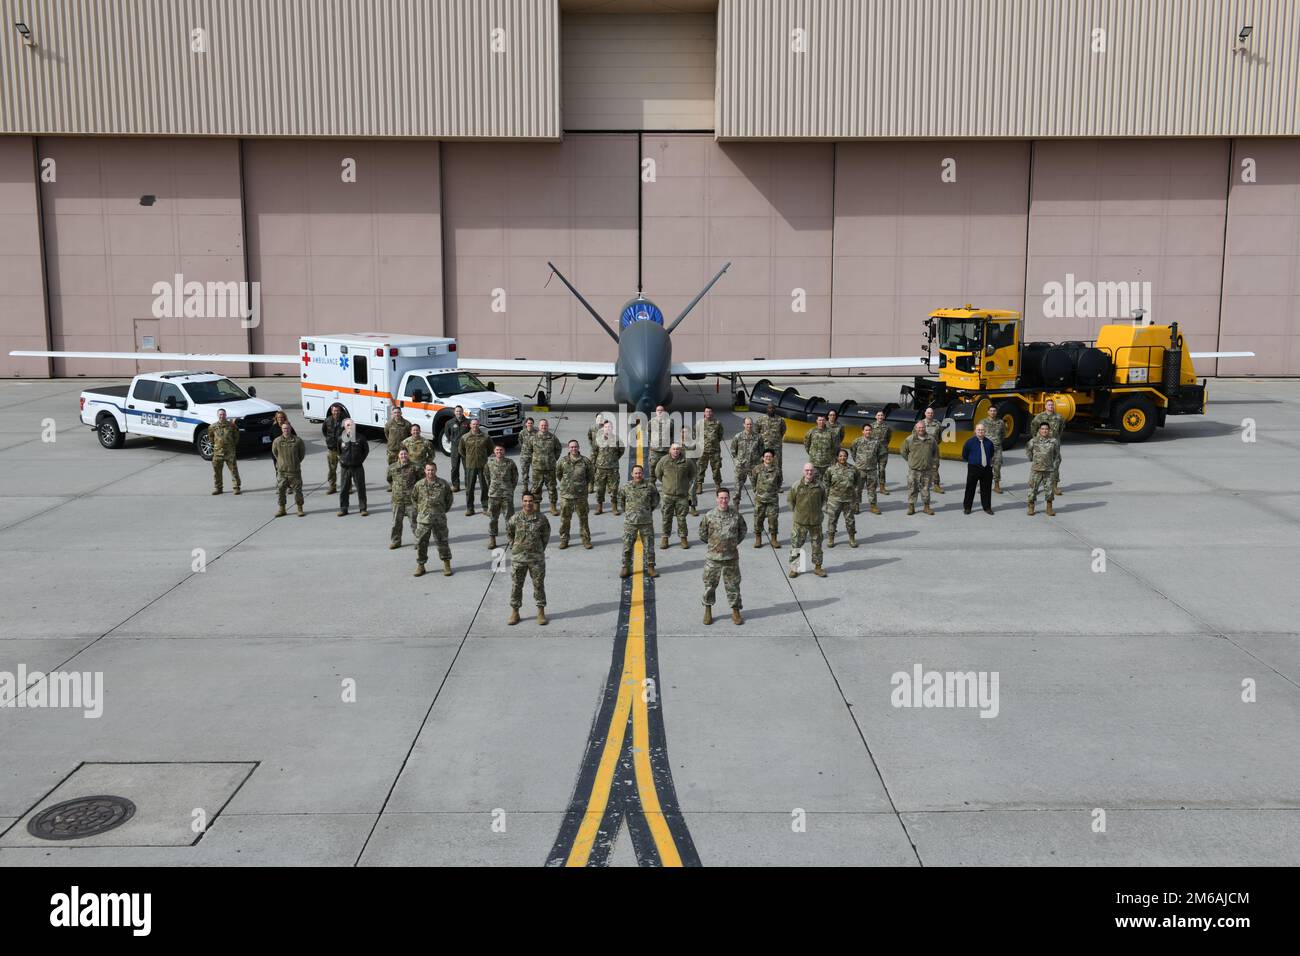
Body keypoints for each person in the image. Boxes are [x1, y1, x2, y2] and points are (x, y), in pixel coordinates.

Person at [699, 488, 747, 626]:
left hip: (731, 558)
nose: (724, 500)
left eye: (726, 498)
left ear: (729, 499)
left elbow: (742, 530)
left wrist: (732, 544)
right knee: (709, 586)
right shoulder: (709, 516)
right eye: (721, 498)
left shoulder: (736, 515)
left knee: (734, 586)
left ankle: (735, 611)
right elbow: (703, 534)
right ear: (716, 499)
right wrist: (715, 546)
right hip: (713, 558)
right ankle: (708, 610)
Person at [506, 492, 550, 626]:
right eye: (525, 501)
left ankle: (541, 612)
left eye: (530, 501)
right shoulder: (515, 518)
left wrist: (538, 550)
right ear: (522, 502)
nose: (528, 503)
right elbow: (510, 534)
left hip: (536, 559)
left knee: (538, 586)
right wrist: (517, 547)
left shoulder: (541, 519)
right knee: (516, 586)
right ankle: (515, 612)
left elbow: (546, 536)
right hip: (519, 559)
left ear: (534, 502)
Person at [617, 464, 660, 579]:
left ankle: (650, 567)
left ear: (643, 473)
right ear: (632, 474)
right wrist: (628, 512)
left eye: (640, 473)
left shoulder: (650, 486)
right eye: (636, 473)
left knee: (649, 546)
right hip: (630, 523)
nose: (638, 475)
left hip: (646, 522)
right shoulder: (625, 487)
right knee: (627, 546)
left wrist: (648, 510)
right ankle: (626, 567)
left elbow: (656, 499)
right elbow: (620, 500)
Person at [412, 461, 454, 576]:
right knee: (421, 543)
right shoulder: (419, 485)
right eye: (428, 470)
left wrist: (441, 511)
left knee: (443, 542)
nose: (430, 472)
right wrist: (421, 511)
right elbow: (414, 499)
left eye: (432, 470)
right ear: (425, 471)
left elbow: (449, 500)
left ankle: (446, 564)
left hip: (439, 519)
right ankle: (421, 565)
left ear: (436, 470)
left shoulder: (443, 484)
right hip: (423, 520)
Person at [787, 462, 827, 578]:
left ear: (814, 472)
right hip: (800, 522)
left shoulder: (820, 486)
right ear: (803, 471)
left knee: (817, 545)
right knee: (796, 546)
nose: (809, 472)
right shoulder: (796, 485)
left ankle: (818, 567)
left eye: (811, 470)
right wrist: (797, 512)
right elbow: (790, 500)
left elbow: (824, 499)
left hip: (816, 522)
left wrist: (822, 510)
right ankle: (795, 568)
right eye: (807, 470)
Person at [655, 441, 696, 550]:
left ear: (681, 450)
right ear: (670, 450)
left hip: (682, 496)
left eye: (678, 449)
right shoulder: (664, 461)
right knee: (666, 518)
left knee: (681, 519)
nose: (676, 451)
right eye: (674, 449)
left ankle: (683, 538)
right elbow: (658, 474)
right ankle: (665, 537)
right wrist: (668, 485)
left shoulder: (687, 462)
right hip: (667, 495)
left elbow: (692, 475)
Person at [557, 439, 594, 549]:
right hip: (566, 496)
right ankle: (564, 540)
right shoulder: (562, 461)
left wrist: (581, 486)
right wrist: (567, 485)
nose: (574, 449)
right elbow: (558, 474)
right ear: (569, 448)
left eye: (575, 447)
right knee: (565, 520)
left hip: (580, 496)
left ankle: (586, 540)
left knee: (583, 519)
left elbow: (590, 476)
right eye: (572, 447)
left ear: (578, 447)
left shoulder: (585, 461)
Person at [485, 443, 519, 550]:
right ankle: (492, 539)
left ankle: (511, 539)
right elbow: (487, 477)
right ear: (494, 452)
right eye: (497, 450)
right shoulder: (489, 464)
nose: (499, 452)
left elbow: (515, 477)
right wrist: (492, 487)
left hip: (506, 495)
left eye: (501, 450)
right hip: (493, 495)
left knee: (509, 518)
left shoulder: (510, 463)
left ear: (504, 451)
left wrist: (510, 489)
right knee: (493, 518)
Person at [1029, 399, 1065, 496]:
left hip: (1054, 445)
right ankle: (1034, 486)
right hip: (1042, 446)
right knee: (1038, 466)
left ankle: (1054, 486)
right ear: (1045, 406)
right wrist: (1036, 438)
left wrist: (1056, 438)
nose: (1051, 407)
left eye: (1052, 405)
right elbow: (1033, 427)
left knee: (1056, 465)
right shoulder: (1039, 417)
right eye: (1049, 405)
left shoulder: (1059, 417)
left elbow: (1061, 429)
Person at [823, 448, 858, 548]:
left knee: (850, 520)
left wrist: (854, 498)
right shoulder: (831, 469)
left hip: (848, 500)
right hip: (834, 500)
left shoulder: (853, 469)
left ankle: (852, 538)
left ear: (847, 457)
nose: (843, 458)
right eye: (840, 456)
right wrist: (826, 500)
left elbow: (856, 482)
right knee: (832, 520)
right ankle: (831, 539)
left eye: (844, 456)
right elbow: (826, 483)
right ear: (837, 457)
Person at [457, 418, 492, 515]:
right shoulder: (465, 437)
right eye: (473, 424)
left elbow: (490, 449)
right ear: (470, 425)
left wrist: (484, 457)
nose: (475, 426)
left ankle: (485, 507)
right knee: (469, 488)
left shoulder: (485, 437)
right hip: (470, 466)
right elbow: (461, 450)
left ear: (479, 425)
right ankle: (470, 508)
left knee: (484, 487)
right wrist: (469, 457)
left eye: (477, 424)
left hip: (483, 465)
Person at [901, 420, 936, 516]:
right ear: (916, 429)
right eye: (919, 427)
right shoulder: (910, 439)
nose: (921, 429)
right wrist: (911, 461)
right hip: (914, 470)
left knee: (926, 489)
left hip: (926, 470)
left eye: (923, 427)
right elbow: (903, 451)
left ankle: (926, 507)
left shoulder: (931, 440)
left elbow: (935, 452)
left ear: (925, 428)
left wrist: (930, 462)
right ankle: (911, 507)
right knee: (912, 488)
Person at [271, 421, 306, 517]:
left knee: (298, 491)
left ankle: (300, 509)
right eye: (284, 428)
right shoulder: (277, 441)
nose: (286, 430)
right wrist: (282, 463)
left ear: (290, 429)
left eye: (287, 428)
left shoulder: (298, 441)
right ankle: (282, 509)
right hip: (282, 472)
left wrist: (295, 462)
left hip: (294, 472)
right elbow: (275, 453)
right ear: (281, 430)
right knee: (281, 491)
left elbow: (301, 454)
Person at [387, 447, 419, 548]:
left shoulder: (415, 467)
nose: (403, 456)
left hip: (411, 501)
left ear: (408, 455)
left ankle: (419, 541)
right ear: (398, 456)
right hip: (397, 501)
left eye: (405, 454)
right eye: (401, 454)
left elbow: (420, 480)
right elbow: (389, 479)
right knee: (396, 523)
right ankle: (396, 541)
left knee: (414, 522)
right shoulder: (392, 467)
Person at [961, 422, 996, 515]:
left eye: (982, 430)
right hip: (974, 468)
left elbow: (991, 454)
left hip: (986, 468)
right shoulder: (969, 442)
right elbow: (965, 455)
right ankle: (967, 507)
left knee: (986, 489)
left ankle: (987, 507)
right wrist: (974, 460)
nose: (980, 431)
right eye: (978, 430)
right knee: (970, 488)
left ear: (985, 431)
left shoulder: (989, 443)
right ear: (975, 431)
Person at [1026, 422, 1060, 517]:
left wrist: (1051, 464)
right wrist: (1033, 460)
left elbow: (1056, 454)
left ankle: (1049, 508)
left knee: (1049, 490)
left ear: (1049, 430)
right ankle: (1031, 507)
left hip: (1049, 470)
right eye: (1042, 429)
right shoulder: (1033, 441)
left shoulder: (1054, 441)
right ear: (1039, 430)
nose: (1044, 431)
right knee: (1032, 489)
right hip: (1036, 469)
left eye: (1046, 429)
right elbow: (1028, 451)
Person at [337, 418, 369, 517]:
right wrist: (342, 461)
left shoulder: (361, 438)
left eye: (352, 425)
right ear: (345, 427)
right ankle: (344, 509)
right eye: (348, 425)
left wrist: (360, 461)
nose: (350, 427)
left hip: (357, 467)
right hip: (345, 467)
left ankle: (363, 508)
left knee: (361, 488)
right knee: (344, 489)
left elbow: (366, 451)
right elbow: (338, 451)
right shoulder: (340, 438)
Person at [530, 418, 562, 515]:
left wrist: (553, 459)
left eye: (545, 425)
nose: (544, 427)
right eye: (542, 425)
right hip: (537, 469)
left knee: (552, 488)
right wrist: (536, 459)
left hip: (550, 468)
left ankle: (553, 507)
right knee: (536, 489)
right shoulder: (533, 438)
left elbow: (558, 449)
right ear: (539, 426)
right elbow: (528, 450)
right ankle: (536, 508)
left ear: (548, 426)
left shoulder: (553, 438)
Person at [850, 423, 882, 516]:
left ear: (872, 431)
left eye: (869, 430)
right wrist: (859, 462)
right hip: (860, 469)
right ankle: (856, 506)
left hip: (872, 470)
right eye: (866, 430)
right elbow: (853, 452)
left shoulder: (876, 442)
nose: (868, 432)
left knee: (872, 489)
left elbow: (879, 454)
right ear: (863, 431)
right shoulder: (857, 441)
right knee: (857, 489)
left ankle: (873, 506)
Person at [593, 421, 624, 515]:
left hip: (613, 468)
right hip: (600, 468)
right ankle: (599, 507)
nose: (608, 428)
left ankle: (614, 507)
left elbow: (621, 451)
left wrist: (614, 459)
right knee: (599, 489)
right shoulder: (598, 439)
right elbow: (594, 453)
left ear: (612, 428)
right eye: (606, 427)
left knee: (614, 489)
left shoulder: (617, 439)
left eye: (610, 427)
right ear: (603, 428)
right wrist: (594, 465)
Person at [752, 449, 781, 547]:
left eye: (770, 456)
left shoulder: (777, 470)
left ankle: (774, 539)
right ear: (763, 458)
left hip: (772, 500)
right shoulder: (757, 469)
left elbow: (779, 482)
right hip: (760, 500)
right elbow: (753, 480)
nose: (768, 458)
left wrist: (773, 491)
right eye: (766, 456)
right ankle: (758, 539)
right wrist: (757, 490)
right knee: (758, 519)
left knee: (773, 520)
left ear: (773, 458)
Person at [209, 408, 241, 495]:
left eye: (223, 414)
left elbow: (236, 436)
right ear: (217, 415)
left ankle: (236, 487)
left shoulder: (232, 425)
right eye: (220, 414)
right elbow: (211, 438)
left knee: (234, 470)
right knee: (217, 471)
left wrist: (232, 445)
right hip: (218, 452)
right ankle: (218, 488)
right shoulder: (212, 426)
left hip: (230, 452)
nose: (222, 416)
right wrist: (217, 445)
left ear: (226, 415)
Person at [695, 406, 724, 498]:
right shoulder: (699, 423)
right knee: (700, 468)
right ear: (704, 413)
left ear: (712, 413)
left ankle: (717, 485)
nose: (708, 413)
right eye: (707, 411)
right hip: (702, 451)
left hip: (714, 450)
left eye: (710, 411)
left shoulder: (717, 423)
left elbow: (720, 435)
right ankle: (699, 485)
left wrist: (713, 443)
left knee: (716, 468)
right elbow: (695, 434)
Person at [729, 417, 762, 499]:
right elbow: (733, 450)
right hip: (741, 467)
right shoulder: (738, 436)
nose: (749, 426)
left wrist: (759, 462)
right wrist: (737, 461)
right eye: (747, 424)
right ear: (744, 425)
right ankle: (736, 507)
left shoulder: (758, 437)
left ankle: (759, 507)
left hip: (754, 467)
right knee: (737, 489)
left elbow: (762, 451)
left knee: (758, 488)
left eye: (751, 424)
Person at [758, 404, 787, 488]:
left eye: (773, 408)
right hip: (764, 447)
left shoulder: (780, 420)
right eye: (769, 408)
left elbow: (783, 430)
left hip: (776, 447)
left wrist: (777, 439)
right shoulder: (761, 419)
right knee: (763, 465)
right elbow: (757, 431)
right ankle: (763, 484)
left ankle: (778, 486)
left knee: (777, 465)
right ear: (767, 409)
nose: (771, 410)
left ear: (775, 409)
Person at [803, 414, 837, 481]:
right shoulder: (811, 431)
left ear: (825, 421)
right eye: (820, 420)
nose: (821, 422)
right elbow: (807, 444)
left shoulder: (831, 432)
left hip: (826, 463)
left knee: (826, 482)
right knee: (814, 481)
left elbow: (833, 446)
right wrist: (812, 453)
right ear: (817, 421)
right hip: (814, 462)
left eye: (823, 420)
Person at [383, 406, 410, 491]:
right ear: (392, 414)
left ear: (401, 413)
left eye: (398, 412)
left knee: (404, 468)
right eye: (395, 413)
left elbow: (409, 437)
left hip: (402, 451)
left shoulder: (407, 424)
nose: (397, 414)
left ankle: (404, 485)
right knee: (392, 468)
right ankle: (392, 485)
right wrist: (392, 442)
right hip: (392, 450)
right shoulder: (389, 424)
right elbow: (387, 434)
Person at [322, 403, 346, 495]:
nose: (336, 412)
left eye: (337, 410)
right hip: (332, 449)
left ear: (340, 411)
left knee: (345, 469)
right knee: (332, 469)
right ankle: (332, 487)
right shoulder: (327, 420)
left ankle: (348, 487)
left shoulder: (345, 421)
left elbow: (350, 433)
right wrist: (329, 440)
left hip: (342, 449)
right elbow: (324, 431)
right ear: (332, 411)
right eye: (334, 411)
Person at [982, 405, 1006, 494]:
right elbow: (978, 434)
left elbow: (1003, 434)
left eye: (994, 411)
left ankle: (996, 486)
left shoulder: (1001, 422)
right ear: (988, 412)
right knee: (985, 467)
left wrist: (998, 442)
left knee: (997, 467)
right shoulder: (983, 422)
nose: (992, 412)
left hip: (997, 448)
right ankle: (983, 486)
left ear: (996, 412)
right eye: (991, 411)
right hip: (986, 448)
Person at [445, 406, 469, 492]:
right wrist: (452, 439)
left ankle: (468, 485)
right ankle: (455, 485)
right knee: (455, 467)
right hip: (455, 448)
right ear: (454, 412)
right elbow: (447, 433)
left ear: (463, 412)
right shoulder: (449, 423)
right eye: (457, 411)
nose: (458, 413)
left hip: (465, 448)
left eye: (460, 411)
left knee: (467, 467)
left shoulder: (468, 422)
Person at [647, 405, 673, 483]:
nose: (660, 412)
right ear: (656, 412)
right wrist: (651, 442)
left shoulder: (670, 422)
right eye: (658, 410)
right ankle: (652, 483)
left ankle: (666, 483)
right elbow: (649, 433)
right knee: (652, 467)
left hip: (665, 450)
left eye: (661, 410)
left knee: (666, 468)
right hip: (654, 450)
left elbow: (672, 434)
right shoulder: (651, 422)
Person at [922, 406, 945, 493]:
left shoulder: (938, 424)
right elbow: (915, 437)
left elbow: (940, 437)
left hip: (934, 449)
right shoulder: (920, 424)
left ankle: (936, 485)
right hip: (923, 449)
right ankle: (923, 484)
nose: (930, 414)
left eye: (931, 413)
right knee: (923, 467)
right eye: (928, 413)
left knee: (935, 467)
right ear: (925, 414)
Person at [873, 410, 892, 494]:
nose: (880, 417)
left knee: (882, 469)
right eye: (878, 415)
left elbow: (888, 438)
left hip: (883, 452)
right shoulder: (871, 426)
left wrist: (883, 446)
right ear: (875, 417)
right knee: (872, 470)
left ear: (884, 417)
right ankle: (872, 487)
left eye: (881, 415)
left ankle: (882, 487)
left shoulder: (887, 427)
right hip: (872, 451)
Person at [518, 417, 536, 497]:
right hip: (524, 455)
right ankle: (525, 487)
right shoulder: (522, 432)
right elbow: (520, 441)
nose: (530, 424)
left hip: (534, 456)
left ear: (533, 424)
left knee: (535, 472)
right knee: (524, 472)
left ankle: (535, 487)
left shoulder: (536, 433)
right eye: (528, 423)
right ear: (525, 424)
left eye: (531, 423)